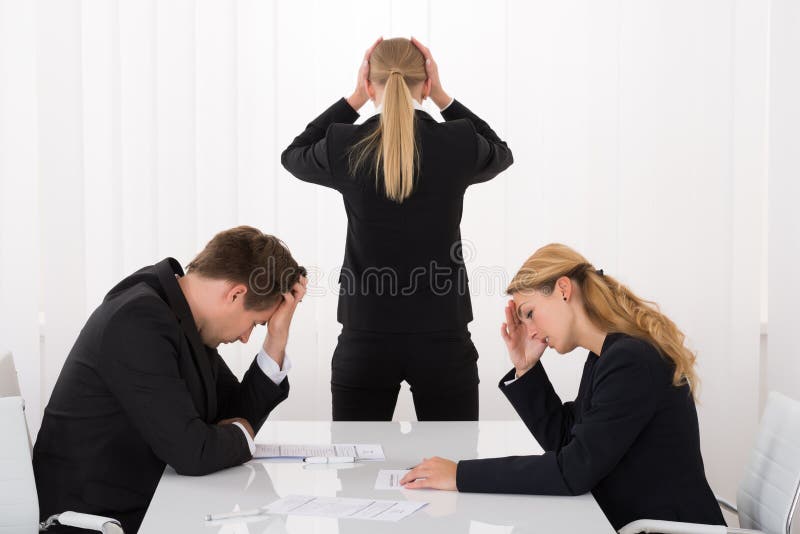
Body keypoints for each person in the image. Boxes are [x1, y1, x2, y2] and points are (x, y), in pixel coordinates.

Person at [400, 243, 727, 531]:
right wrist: (526, 368)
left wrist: (460, 475)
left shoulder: (630, 360)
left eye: (529, 314)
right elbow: (568, 442)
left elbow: (572, 471)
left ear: (563, 289)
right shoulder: (608, 355)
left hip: (659, 529)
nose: (530, 332)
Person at [281, 37, 513, 421]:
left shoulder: (344, 142)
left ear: (371, 83)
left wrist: (353, 100)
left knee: (354, 469)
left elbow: (294, 154)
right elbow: (499, 150)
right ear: (424, 82)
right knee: (453, 469)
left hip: (365, 335)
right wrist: (443, 98)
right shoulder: (457, 141)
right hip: (444, 337)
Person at [32, 226, 307, 533]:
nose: (245, 337)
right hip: (99, 520)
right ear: (236, 294)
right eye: (255, 324)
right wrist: (241, 435)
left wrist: (276, 338)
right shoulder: (138, 321)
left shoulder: (181, 316)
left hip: (151, 502)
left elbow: (232, 414)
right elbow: (194, 452)